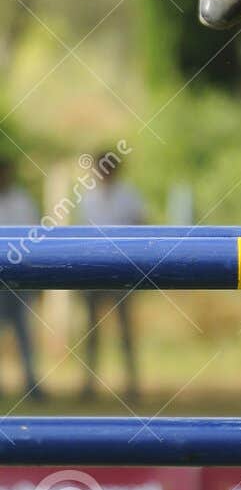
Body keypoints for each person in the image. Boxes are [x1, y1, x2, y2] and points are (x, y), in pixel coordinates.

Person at [78, 152, 146, 400]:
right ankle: (88, 384)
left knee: (125, 331)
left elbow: (141, 224)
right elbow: (82, 235)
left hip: (123, 270)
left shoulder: (128, 194)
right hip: (94, 271)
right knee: (91, 332)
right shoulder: (88, 197)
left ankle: (131, 383)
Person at [0, 156, 43, 398]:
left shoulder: (22, 201)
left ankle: (30, 381)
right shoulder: (24, 200)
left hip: (21, 278)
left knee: (25, 332)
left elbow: (35, 235)